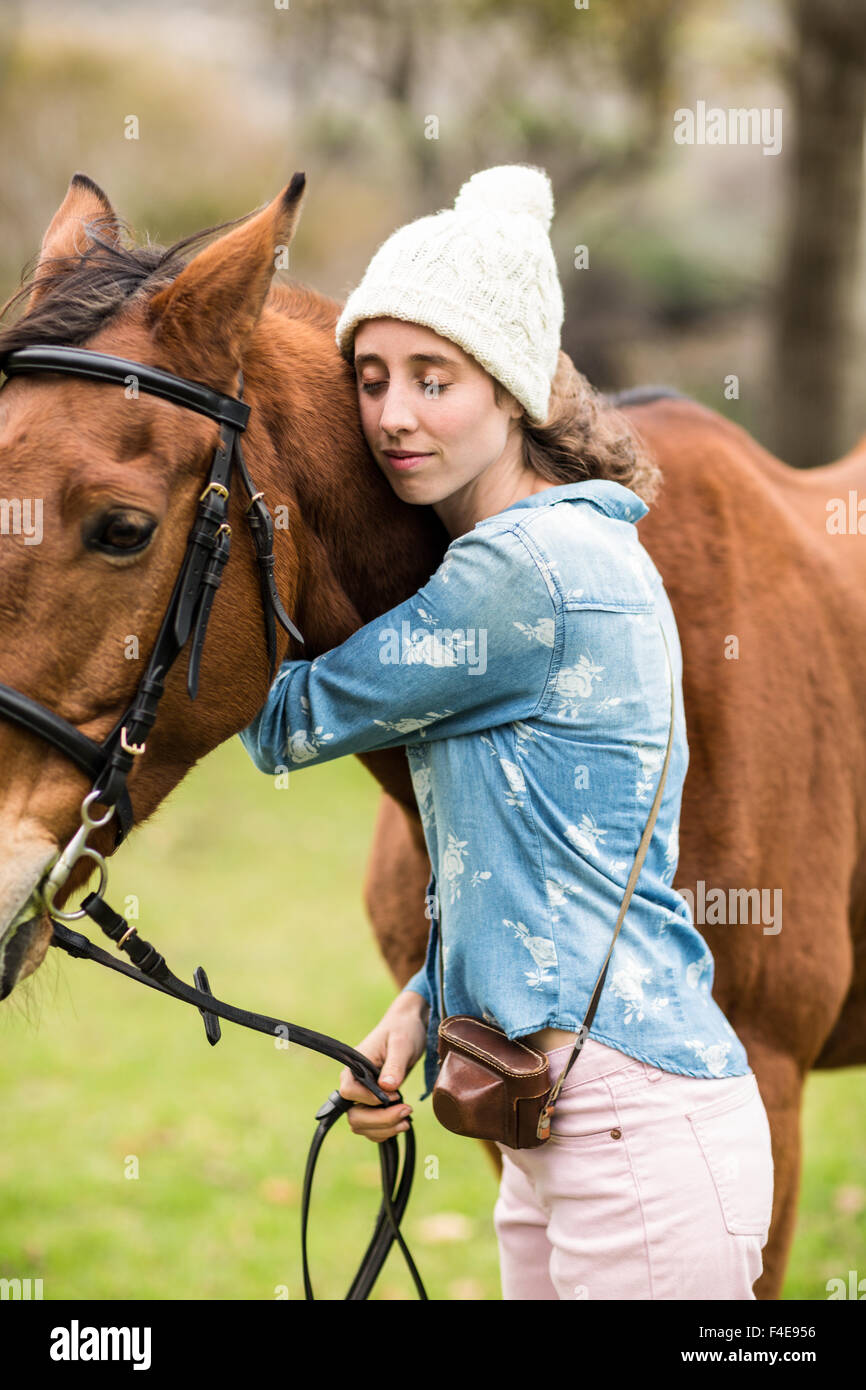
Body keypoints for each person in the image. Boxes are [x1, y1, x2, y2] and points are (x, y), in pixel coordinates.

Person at [238, 164, 774, 1300]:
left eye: (434, 379)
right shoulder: (568, 543)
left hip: (632, 1133)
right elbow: (544, 868)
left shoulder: (521, 571)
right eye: (371, 379)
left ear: (512, 389)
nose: (391, 414)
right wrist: (421, 1010)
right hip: (571, 1123)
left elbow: (284, 721)